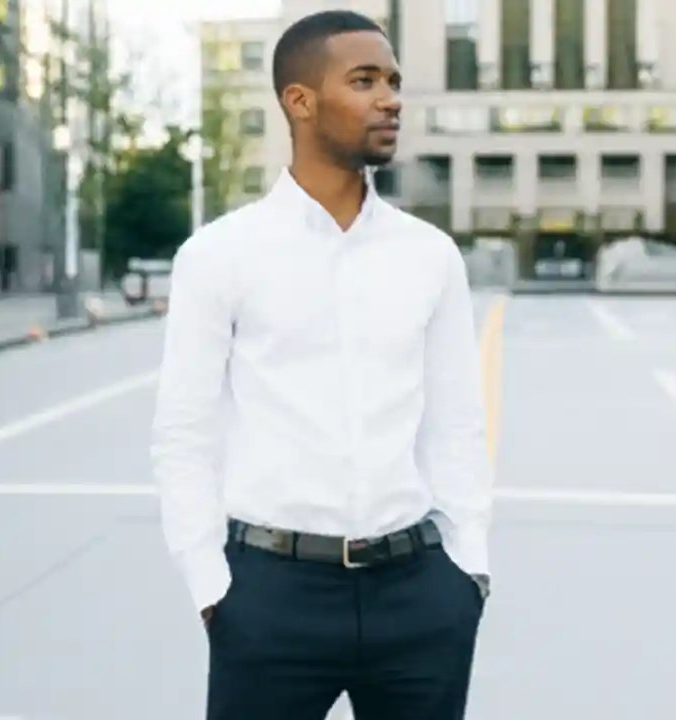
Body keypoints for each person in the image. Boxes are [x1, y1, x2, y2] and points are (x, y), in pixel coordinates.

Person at [149, 10, 493, 720]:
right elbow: (183, 436)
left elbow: (457, 426)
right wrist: (213, 590)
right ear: (298, 102)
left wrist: (469, 573)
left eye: (394, 81)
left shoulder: (429, 256)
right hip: (270, 599)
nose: (391, 98)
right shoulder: (220, 256)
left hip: (420, 597)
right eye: (364, 80)